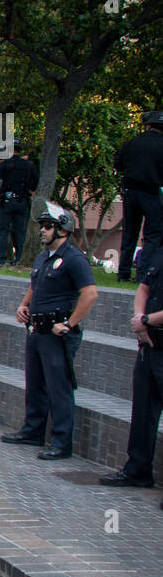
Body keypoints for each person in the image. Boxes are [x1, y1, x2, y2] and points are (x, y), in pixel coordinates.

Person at [1, 202, 98, 459]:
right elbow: (35, 284)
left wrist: (69, 323)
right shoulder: (43, 257)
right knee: (35, 383)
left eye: (48, 226)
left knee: (59, 388)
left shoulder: (74, 258)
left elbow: (90, 294)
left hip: (57, 333)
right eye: (42, 226)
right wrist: (24, 304)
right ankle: (33, 431)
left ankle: (61, 443)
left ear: (62, 230)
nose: (42, 231)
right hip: (36, 329)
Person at [100, 243, 163, 490]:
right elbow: (144, 288)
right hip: (149, 344)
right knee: (143, 412)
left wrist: (147, 320)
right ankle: (137, 470)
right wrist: (140, 322)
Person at [114, 110, 163, 282]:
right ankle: (143, 274)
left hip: (131, 193)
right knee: (153, 235)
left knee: (129, 233)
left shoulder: (132, 143)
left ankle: (123, 273)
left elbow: (118, 164)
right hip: (152, 194)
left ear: (147, 126)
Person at [0, 142, 38, 266]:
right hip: (22, 201)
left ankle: (0, 260)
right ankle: (19, 259)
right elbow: (36, 181)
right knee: (20, 231)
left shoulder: (4, 165)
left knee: (3, 231)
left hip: (6, 201)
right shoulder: (29, 165)